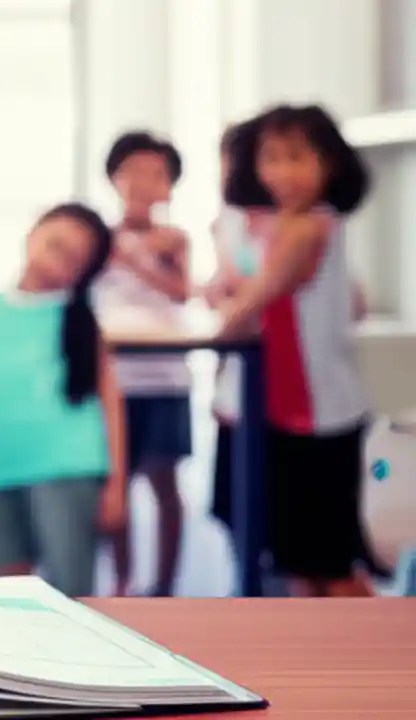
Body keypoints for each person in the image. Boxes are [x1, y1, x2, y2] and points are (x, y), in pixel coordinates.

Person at [219, 104, 373, 597]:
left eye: (297, 157)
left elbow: (248, 305)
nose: (282, 172)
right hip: (281, 409)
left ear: (329, 162)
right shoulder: (277, 224)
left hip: (318, 414)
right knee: (299, 562)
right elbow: (357, 303)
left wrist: (228, 307)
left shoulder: (309, 226)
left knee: (329, 563)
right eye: (271, 158)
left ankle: (377, 644)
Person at [0, 203, 127, 597]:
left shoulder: (79, 322)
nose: (58, 258)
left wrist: (116, 485)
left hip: (66, 469)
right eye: (55, 243)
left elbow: (112, 405)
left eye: (73, 258)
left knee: (71, 595)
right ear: (32, 233)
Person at [97, 131, 191, 597]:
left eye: (155, 174)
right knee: (116, 484)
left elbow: (182, 292)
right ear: (114, 177)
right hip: (114, 380)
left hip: (165, 378)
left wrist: (135, 259)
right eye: (131, 171)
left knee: (164, 484)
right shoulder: (97, 238)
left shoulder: (173, 239)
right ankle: (122, 582)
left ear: (169, 186)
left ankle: (166, 586)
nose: (141, 182)